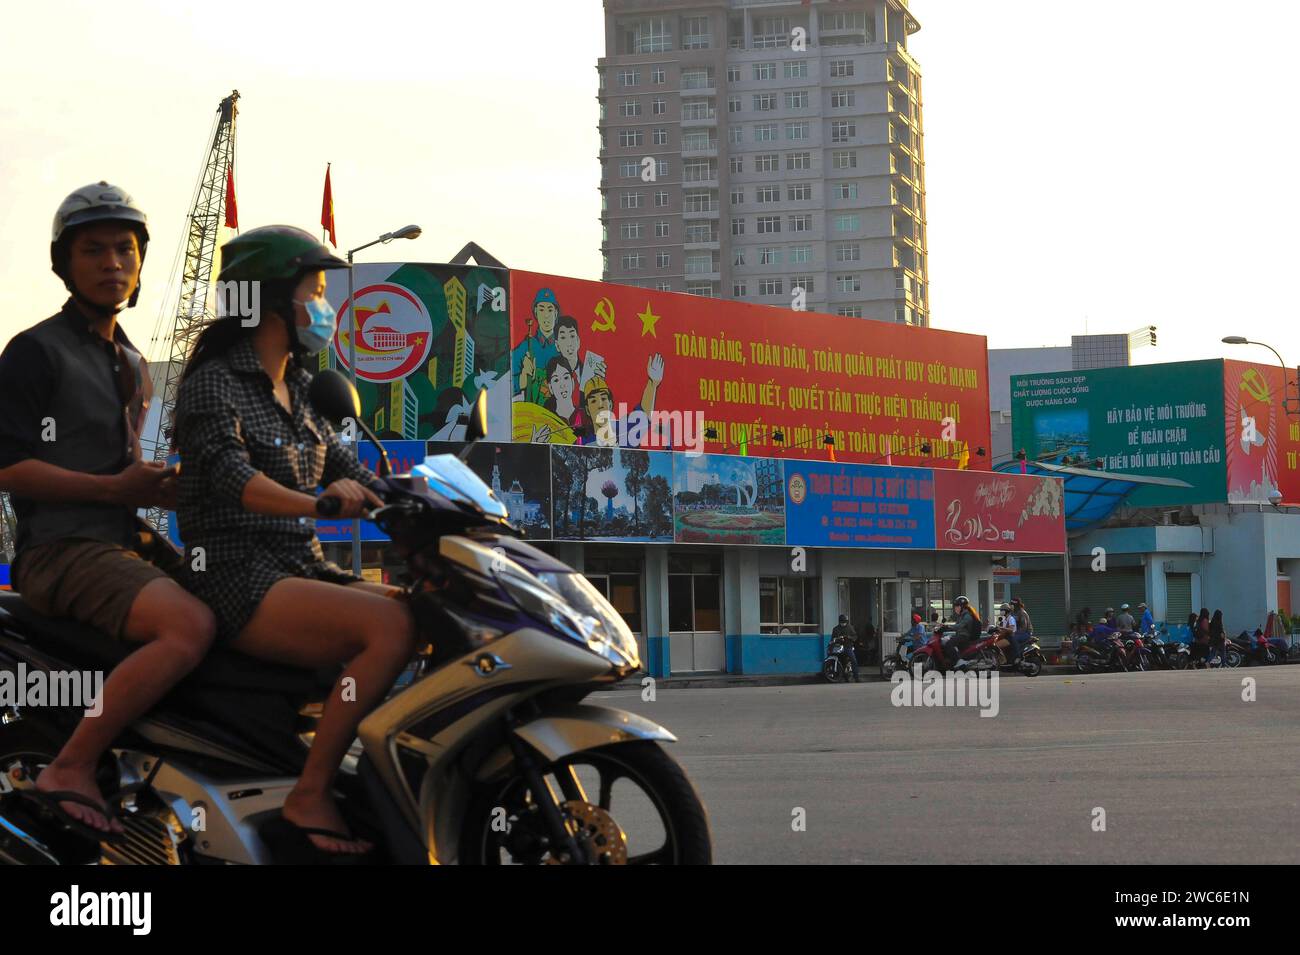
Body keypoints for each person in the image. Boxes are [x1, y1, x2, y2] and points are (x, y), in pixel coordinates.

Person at [173, 225, 418, 857]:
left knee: (425, 613)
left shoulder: (304, 388)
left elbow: (344, 465)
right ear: (270, 301)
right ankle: (310, 793)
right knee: (388, 628)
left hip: (296, 567)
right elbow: (231, 477)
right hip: (237, 576)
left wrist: (420, 500)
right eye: (312, 290)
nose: (323, 305)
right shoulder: (214, 385)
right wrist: (317, 503)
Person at [0, 183, 218, 838]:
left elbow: (118, 476)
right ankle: (71, 765)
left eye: (125, 249)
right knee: (189, 627)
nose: (112, 263)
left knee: (240, 604)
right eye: (92, 250)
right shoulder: (34, 351)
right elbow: (8, 466)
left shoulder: (131, 360)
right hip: (58, 552)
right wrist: (118, 490)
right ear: (64, 264)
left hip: (124, 541)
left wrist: (156, 487)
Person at [578, 356, 665, 447]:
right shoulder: (582, 440)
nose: (600, 405)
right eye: (593, 401)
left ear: (610, 404)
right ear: (587, 410)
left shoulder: (623, 431)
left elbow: (643, 416)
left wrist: (652, 383)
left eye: (603, 399)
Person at [512, 288, 561, 404]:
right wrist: (521, 380)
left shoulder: (562, 347)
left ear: (556, 313)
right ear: (535, 312)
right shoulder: (525, 347)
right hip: (532, 414)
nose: (546, 316)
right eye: (541, 310)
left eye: (550, 310)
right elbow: (504, 381)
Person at [942, 596, 981, 668]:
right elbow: (956, 625)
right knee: (944, 640)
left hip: (964, 636)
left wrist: (948, 627)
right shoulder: (961, 615)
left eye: (957, 606)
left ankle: (958, 661)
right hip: (960, 635)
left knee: (949, 644)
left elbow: (959, 626)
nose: (955, 608)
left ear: (962, 606)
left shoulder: (967, 616)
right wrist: (945, 626)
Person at [830, 614, 859, 681]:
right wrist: (834, 641)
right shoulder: (835, 629)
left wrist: (849, 637)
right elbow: (832, 639)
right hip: (838, 647)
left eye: (844, 622)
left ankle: (856, 677)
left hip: (847, 647)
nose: (843, 624)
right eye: (842, 622)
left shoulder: (850, 628)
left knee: (853, 661)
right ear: (839, 622)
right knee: (839, 660)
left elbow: (855, 636)